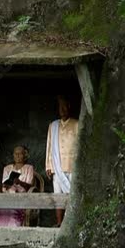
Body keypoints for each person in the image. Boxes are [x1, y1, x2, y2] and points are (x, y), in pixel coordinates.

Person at [45, 93, 79, 226]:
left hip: (71, 165)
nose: (63, 110)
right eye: (60, 107)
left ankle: (70, 223)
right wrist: (48, 165)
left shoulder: (77, 124)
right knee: (58, 196)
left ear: (69, 107)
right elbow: (49, 145)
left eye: (65, 107)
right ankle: (59, 222)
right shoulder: (53, 125)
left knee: (71, 194)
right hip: (56, 165)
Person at [0, 145, 36, 227]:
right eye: (16, 154)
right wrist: (6, 184)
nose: (18, 155)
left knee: (13, 210)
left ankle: (13, 233)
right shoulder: (7, 168)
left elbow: (30, 187)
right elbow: (3, 186)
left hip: (21, 198)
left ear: (25, 155)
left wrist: (20, 182)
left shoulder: (29, 168)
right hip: (7, 197)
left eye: (20, 153)